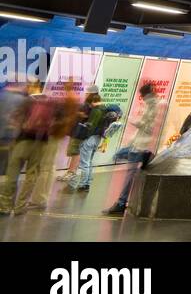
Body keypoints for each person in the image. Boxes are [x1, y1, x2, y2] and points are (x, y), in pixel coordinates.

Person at [103, 82, 161, 216]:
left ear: (146, 95)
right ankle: (122, 202)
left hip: (141, 146)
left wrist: (132, 120)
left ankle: (121, 203)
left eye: (142, 95)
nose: (142, 98)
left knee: (129, 174)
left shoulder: (153, 106)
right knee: (127, 167)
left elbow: (147, 127)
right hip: (143, 146)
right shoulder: (155, 105)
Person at [0, 80, 56, 215]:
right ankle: (20, 206)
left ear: (34, 87)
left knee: (13, 173)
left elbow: (14, 118)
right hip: (41, 144)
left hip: (22, 142)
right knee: (31, 175)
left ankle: (5, 206)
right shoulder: (51, 104)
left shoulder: (27, 101)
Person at [69, 102, 120, 192]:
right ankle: (87, 183)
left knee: (85, 163)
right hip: (97, 140)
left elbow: (91, 128)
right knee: (89, 162)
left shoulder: (100, 114)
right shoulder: (109, 120)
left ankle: (83, 184)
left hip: (90, 140)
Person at [60, 89, 101, 183]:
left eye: (87, 93)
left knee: (75, 152)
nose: (86, 94)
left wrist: (76, 113)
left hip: (79, 132)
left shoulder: (88, 106)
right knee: (75, 152)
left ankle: (72, 173)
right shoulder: (93, 106)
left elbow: (85, 116)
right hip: (80, 132)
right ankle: (70, 172)